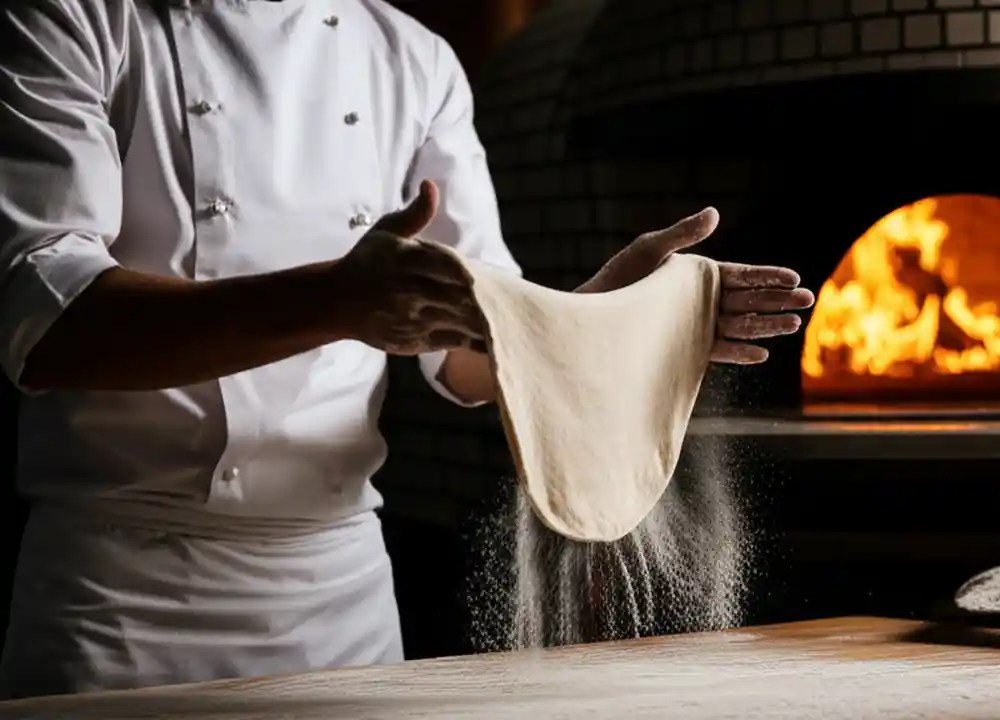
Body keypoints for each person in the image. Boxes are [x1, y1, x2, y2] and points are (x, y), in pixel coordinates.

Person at [0, 0, 815, 698]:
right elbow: (47, 321)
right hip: (119, 597)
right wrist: (336, 301)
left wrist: (612, 314)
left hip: (337, 598)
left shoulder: (411, 59)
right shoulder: (75, 18)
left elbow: (477, 342)